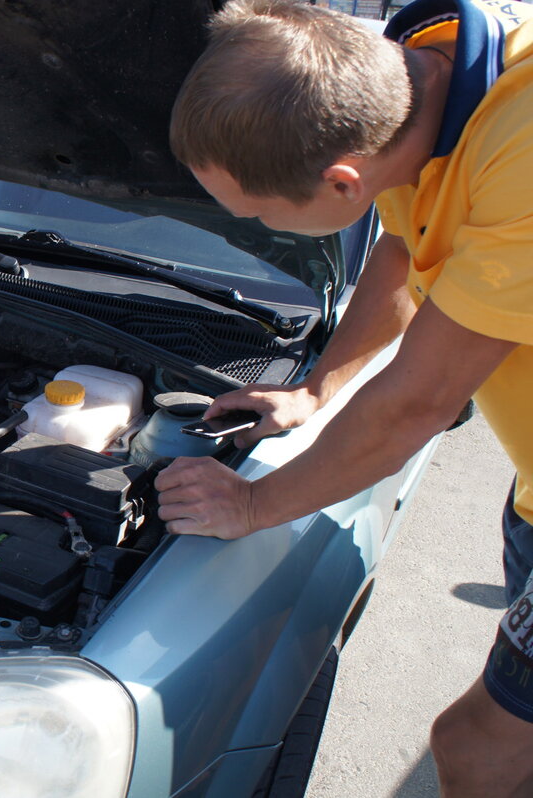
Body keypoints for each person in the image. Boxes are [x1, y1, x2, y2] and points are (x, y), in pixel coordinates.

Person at [158, 0, 533, 794]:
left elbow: (416, 405)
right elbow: (402, 245)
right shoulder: (416, 81)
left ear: (340, 181)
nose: (256, 224)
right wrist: (315, 389)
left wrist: (253, 505)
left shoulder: (522, 150)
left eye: (258, 214)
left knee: (477, 750)